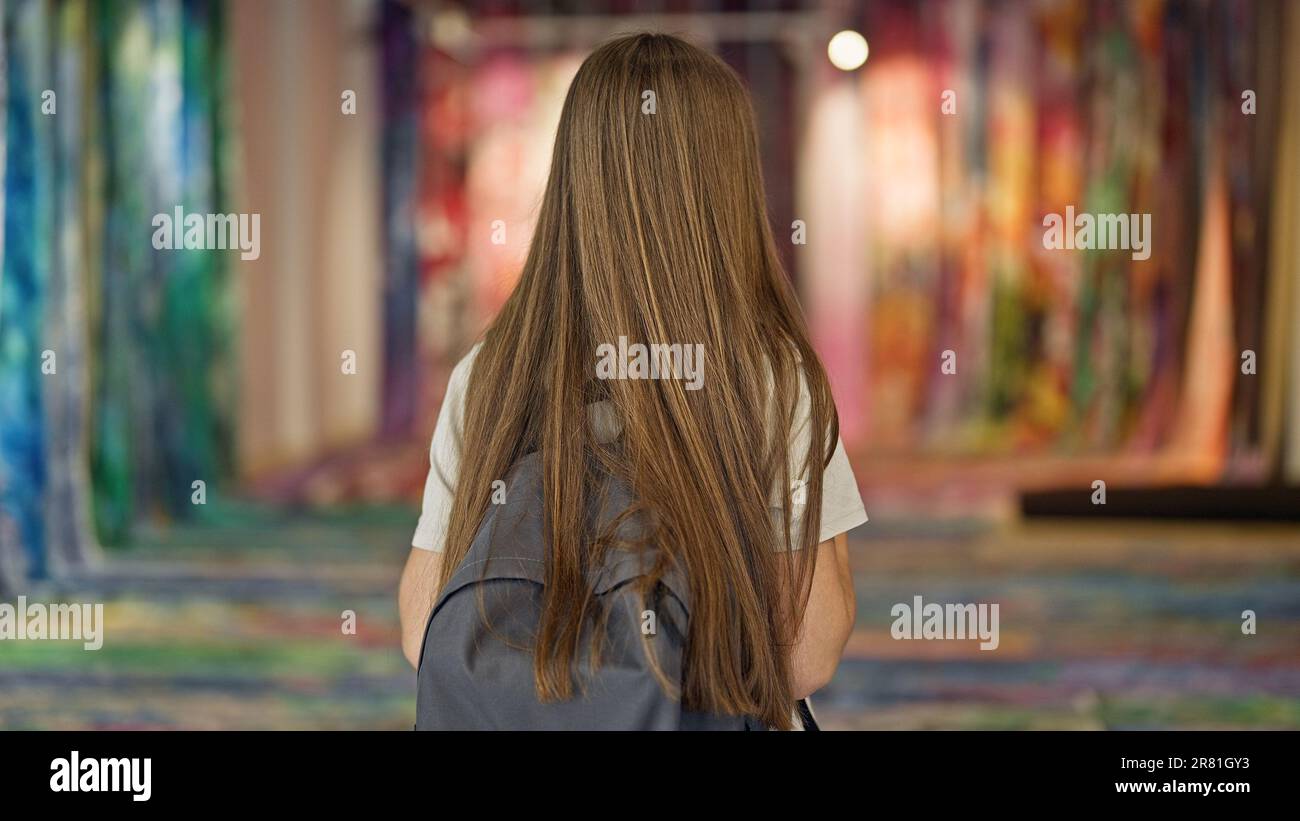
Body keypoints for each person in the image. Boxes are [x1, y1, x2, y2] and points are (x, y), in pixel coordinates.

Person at [398, 32, 867, 730]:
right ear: (727, 188)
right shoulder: (770, 379)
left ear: (572, 181)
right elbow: (805, 655)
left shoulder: (491, 373)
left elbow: (422, 630)